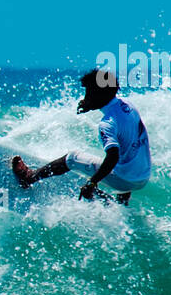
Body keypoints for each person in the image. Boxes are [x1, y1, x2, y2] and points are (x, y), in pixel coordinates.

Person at [11, 68, 152, 204]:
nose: (85, 97)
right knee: (128, 146)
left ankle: (29, 178)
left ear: (98, 95)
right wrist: (90, 104)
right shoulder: (128, 105)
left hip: (125, 179)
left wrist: (92, 182)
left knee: (73, 157)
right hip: (143, 176)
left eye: (88, 93)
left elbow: (112, 157)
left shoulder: (107, 124)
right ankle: (121, 201)